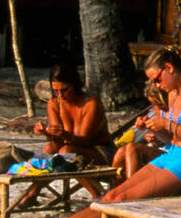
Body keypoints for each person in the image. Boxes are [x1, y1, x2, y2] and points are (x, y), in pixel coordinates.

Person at [14, 46, 181, 218]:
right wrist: (155, 129)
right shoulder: (173, 93)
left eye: (157, 78)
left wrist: (168, 124)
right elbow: (174, 139)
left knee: (123, 200)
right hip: (171, 154)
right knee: (113, 194)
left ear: (170, 68)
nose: (156, 85)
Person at [12, 62, 115, 209]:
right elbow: (56, 140)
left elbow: (85, 139)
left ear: (75, 85)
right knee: (49, 148)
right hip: (72, 150)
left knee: (67, 152)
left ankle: (96, 194)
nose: (60, 95)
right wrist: (47, 133)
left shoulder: (91, 103)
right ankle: (33, 192)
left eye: (64, 90)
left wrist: (66, 135)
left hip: (101, 151)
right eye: (55, 91)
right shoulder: (55, 103)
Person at [111, 85, 168, 177]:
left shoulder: (176, 112)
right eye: (154, 105)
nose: (156, 108)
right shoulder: (157, 111)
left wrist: (158, 134)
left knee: (132, 148)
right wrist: (151, 131)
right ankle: (116, 186)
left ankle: (129, 188)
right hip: (160, 148)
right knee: (122, 151)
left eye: (158, 104)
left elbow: (174, 138)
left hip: (171, 153)